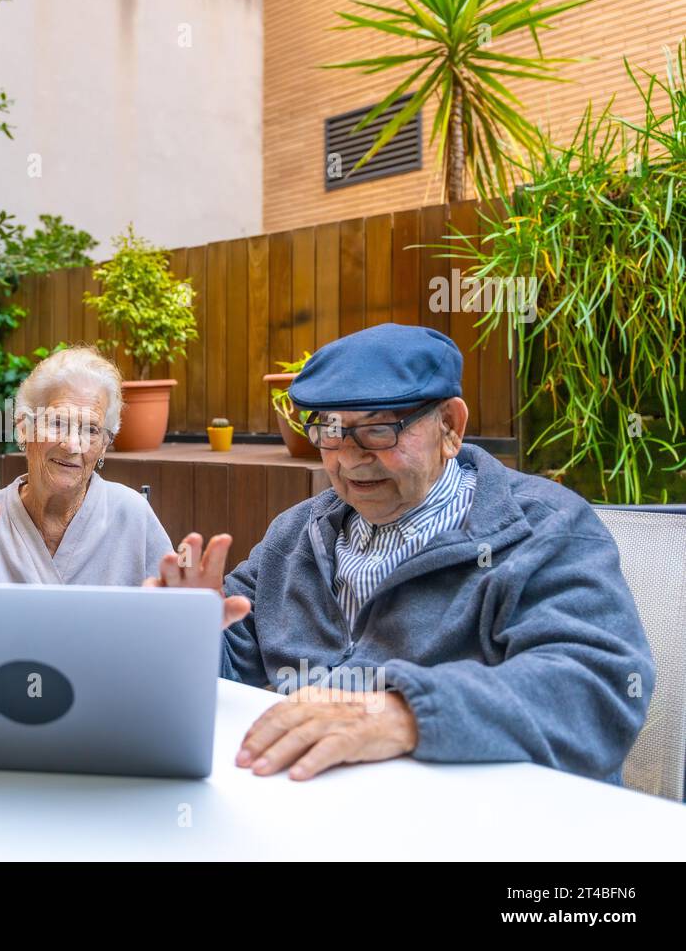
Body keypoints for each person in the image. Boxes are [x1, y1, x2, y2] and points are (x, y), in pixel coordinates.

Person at [147, 323, 655, 782]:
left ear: (450, 427)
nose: (347, 460)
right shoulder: (297, 532)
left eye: (377, 429)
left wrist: (404, 714)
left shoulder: (545, 528)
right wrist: (191, 632)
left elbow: (598, 689)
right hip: (301, 810)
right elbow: (233, 673)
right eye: (329, 429)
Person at [0, 346, 173, 585]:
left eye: (91, 430)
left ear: (104, 445)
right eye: (57, 423)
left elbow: (173, 616)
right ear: (23, 430)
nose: (72, 445)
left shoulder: (131, 515)